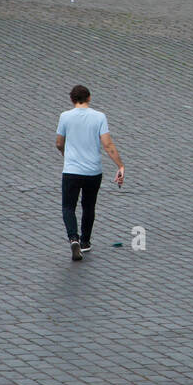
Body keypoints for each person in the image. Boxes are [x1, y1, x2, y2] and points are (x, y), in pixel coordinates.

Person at [58, 83, 126, 257]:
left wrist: (67, 154)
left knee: (68, 207)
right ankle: (85, 241)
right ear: (89, 98)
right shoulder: (99, 117)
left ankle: (73, 238)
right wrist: (120, 165)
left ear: (72, 100)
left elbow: (59, 143)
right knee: (88, 206)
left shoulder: (65, 117)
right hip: (93, 171)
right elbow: (108, 144)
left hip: (71, 170)